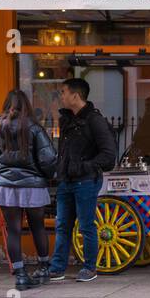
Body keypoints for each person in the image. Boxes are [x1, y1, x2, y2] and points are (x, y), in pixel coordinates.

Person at [0, 89, 58, 291]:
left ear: (6, 105)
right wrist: (45, 176)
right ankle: (43, 268)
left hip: (6, 187)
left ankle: (20, 275)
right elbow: (48, 159)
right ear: (27, 106)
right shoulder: (34, 128)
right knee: (37, 227)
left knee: (13, 230)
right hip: (33, 186)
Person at [47, 77, 118, 283]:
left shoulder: (94, 120)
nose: (61, 96)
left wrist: (84, 166)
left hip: (86, 181)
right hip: (66, 180)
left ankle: (89, 267)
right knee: (62, 225)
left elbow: (108, 155)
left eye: (63, 92)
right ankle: (57, 268)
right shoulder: (67, 119)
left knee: (86, 225)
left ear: (75, 96)